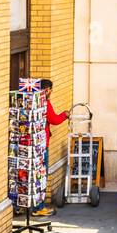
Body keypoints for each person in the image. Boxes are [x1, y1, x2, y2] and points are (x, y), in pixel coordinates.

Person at [34, 79, 68, 216]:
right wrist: (65, 115)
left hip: (32, 145)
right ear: (47, 90)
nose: (51, 92)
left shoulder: (32, 102)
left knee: (31, 176)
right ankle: (39, 207)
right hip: (42, 145)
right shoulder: (45, 104)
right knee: (41, 176)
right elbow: (54, 119)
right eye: (50, 90)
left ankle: (25, 205)